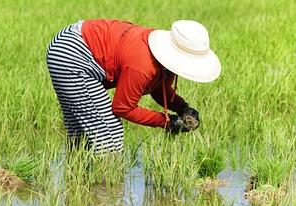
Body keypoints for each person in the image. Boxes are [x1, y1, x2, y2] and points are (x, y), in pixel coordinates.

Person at [46, 18, 221, 153]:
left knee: (81, 134)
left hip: (72, 41)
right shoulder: (143, 64)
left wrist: (183, 108)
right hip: (73, 54)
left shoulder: (164, 61)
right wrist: (166, 122)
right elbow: (123, 108)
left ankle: (77, 183)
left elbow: (158, 89)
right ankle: (107, 190)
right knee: (110, 137)